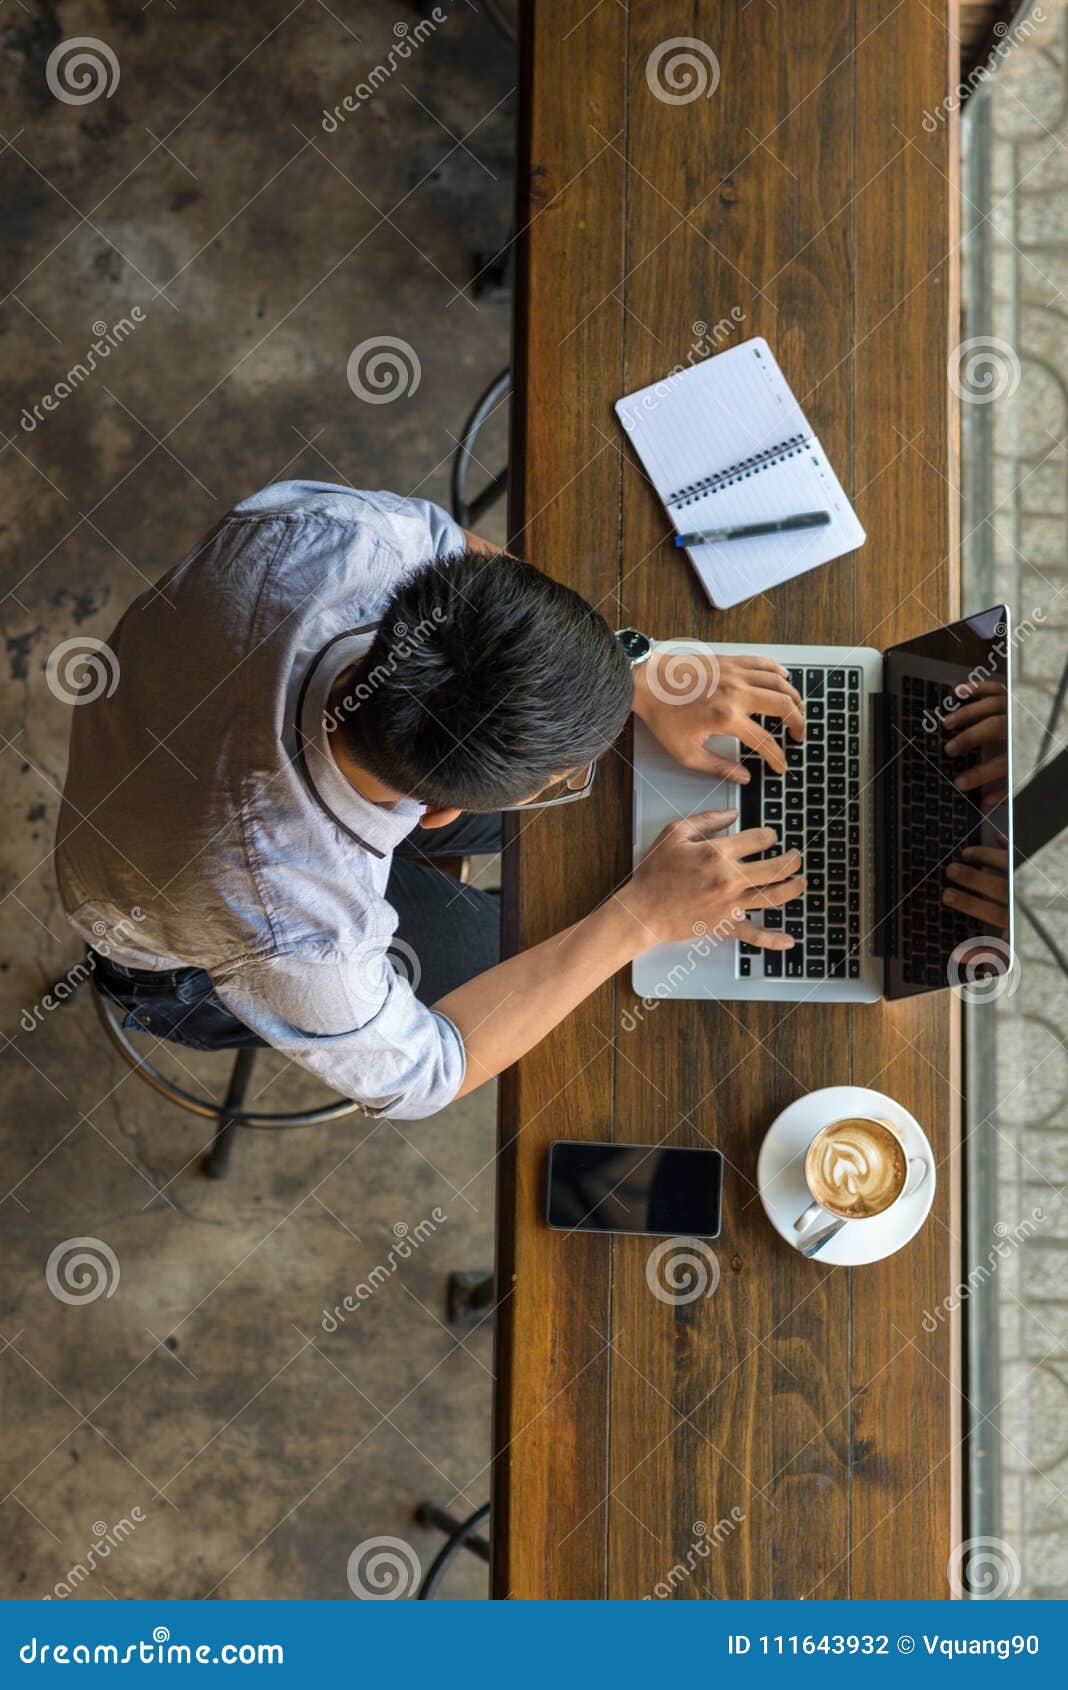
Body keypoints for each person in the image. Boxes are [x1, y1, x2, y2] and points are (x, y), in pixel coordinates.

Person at [54, 481, 806, 1120]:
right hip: (178, 950)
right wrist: (638, 918)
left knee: (606, 815)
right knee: (534, 929)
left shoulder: (340, 544)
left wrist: (630, 668)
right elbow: (428, 1073)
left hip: (179, 752)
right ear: (437, 813)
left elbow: (458, 556)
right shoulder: (302, 940)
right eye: (556, 777)